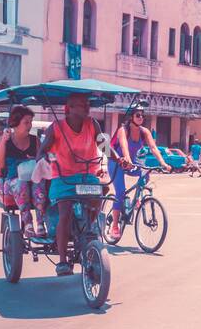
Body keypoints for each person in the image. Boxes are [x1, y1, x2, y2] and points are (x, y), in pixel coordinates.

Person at [38, 92, 103, 276]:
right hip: (63, 178)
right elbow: (43, 152)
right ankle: (62, 262)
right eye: (81, 105)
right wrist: (50, 159)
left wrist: (119, 159)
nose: (86, 108)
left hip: (87, 176)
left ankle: (89, 230)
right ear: (70, 108)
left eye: (86, 105)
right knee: (64, 213)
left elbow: (104, 146)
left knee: (100, 196)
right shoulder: (56, 128)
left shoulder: (93, 124)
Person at [109, 102, 170, 238]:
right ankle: (114, 226)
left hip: (132, 162)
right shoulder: (123, 130)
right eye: (138, 115)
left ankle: (137, 199)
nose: (141, 117)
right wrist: (127, 159)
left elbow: (153, 148)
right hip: (117, 162)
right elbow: (124, 145)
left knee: (145, 172)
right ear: (131, 117)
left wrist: (163, 163)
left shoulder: (144, 131)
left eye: (143, 115)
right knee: (120, 192)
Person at [0, 105, 39, 237]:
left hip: (33, 180)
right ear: (15, 123)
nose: (29, 125)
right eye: (26, 122)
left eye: (31, 122)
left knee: (42, 185)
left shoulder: (35, 141)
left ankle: (42, 222)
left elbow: (41, 162)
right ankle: (28, 222)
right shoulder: (3, 141)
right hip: (10, 182)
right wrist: (4, 141)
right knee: (21, 184)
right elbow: (0, 164)